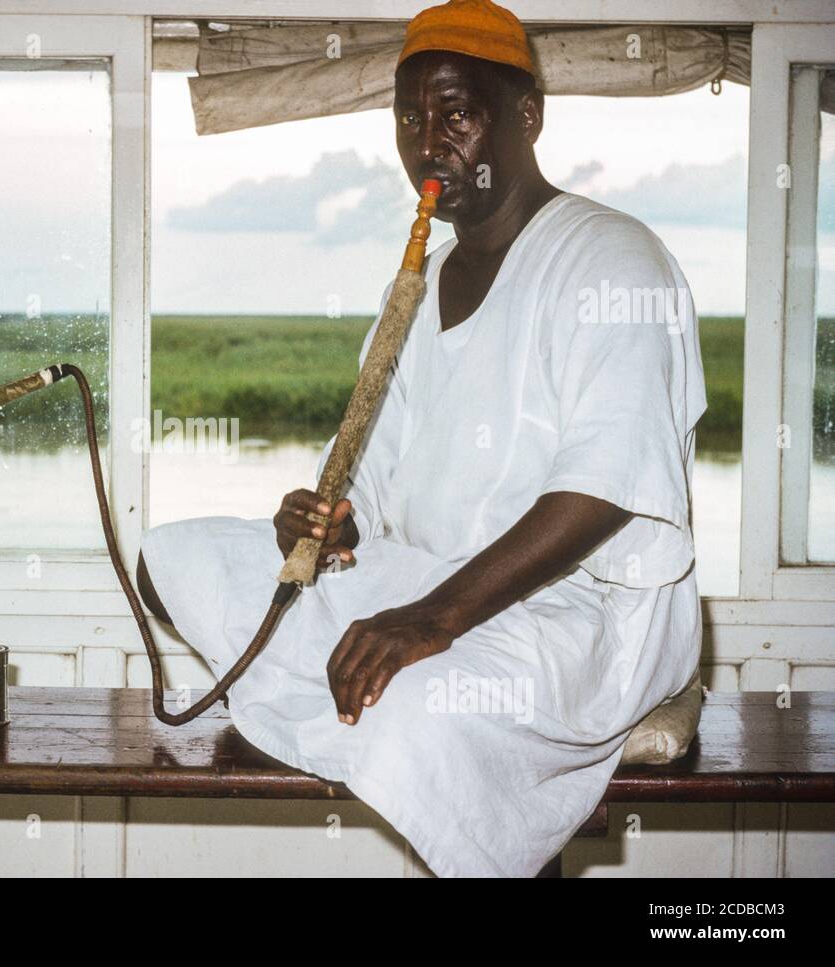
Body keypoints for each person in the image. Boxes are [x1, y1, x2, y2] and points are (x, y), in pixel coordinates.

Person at [136, 0, 707, 877]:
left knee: (410, 704)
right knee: (174, 559)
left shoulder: (614, 261)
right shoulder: (421, 282)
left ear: (527, 115)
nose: (427, 140)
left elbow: (604, 485)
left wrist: (430, 620)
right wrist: (335, 529)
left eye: (455, 111)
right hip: (432, 581)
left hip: (574, 614)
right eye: (409, 116)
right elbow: (384, 479)